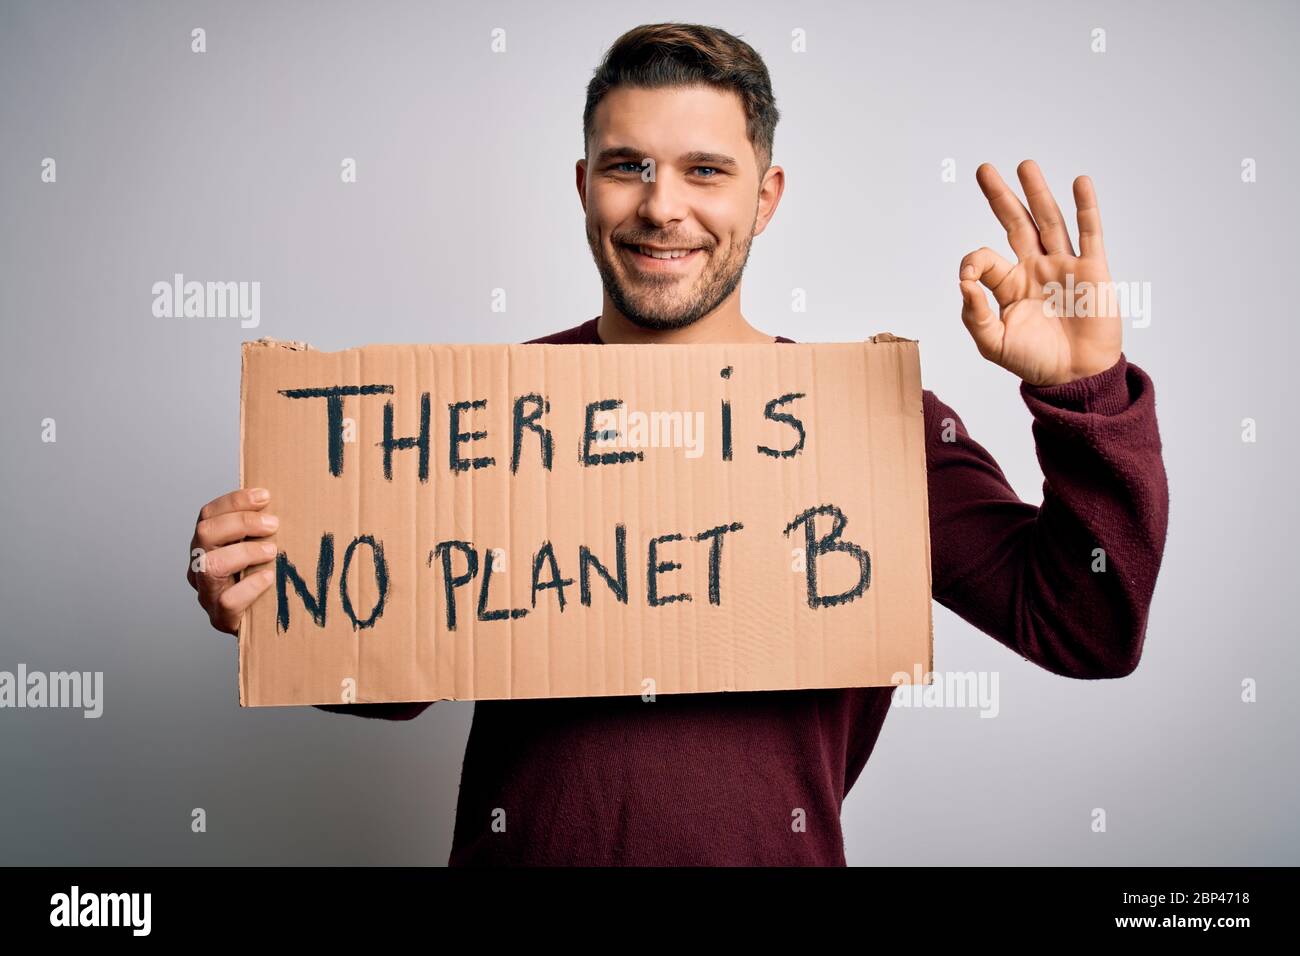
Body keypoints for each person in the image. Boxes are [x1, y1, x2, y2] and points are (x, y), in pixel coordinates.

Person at [186, 23, 1168, 865]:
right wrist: (277, 595)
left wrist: (1081, 389)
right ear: (584, 186)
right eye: (627, 166)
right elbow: (394, 676)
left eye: (705, 169)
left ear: (765, 196)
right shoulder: (488, 413)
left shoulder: (872, 419)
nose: (661, 205)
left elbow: (1087, 624)